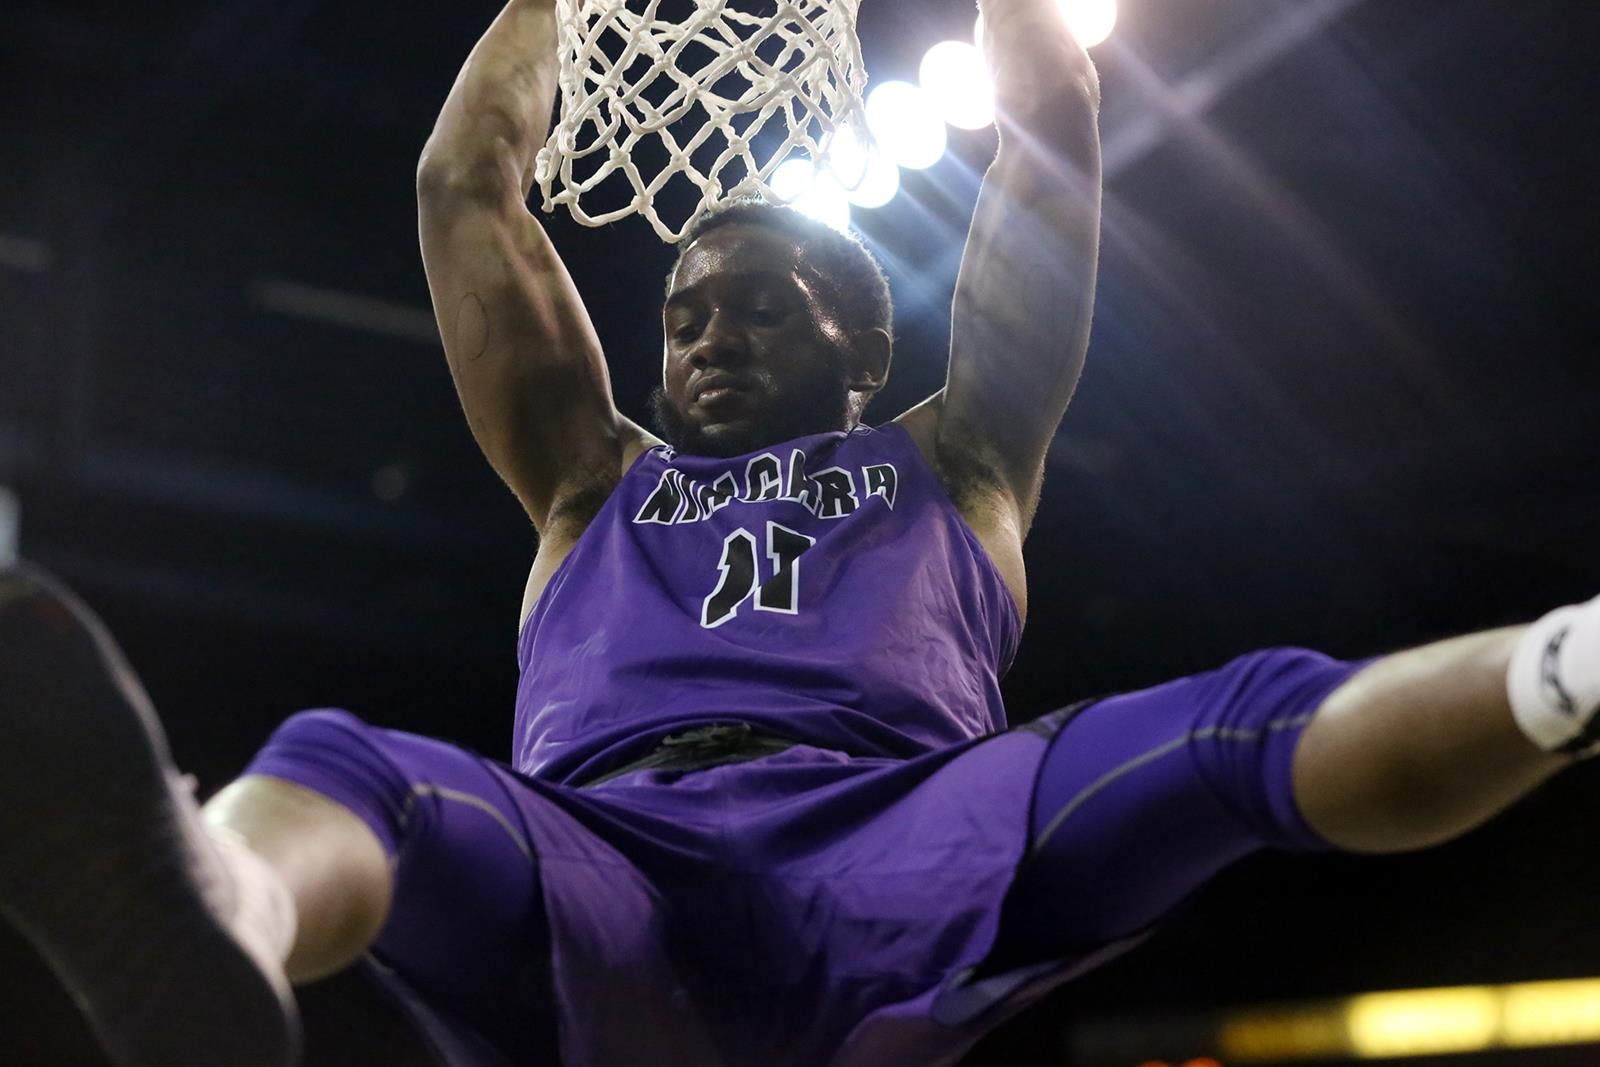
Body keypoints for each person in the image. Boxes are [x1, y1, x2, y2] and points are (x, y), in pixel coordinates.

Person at [2, 0, 1597, 1063]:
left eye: (761, 306)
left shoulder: (961, 452)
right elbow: (463, 186)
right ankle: (217, 917)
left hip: (894, 836)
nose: (709, 335)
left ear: (863, 343)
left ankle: (1576, 664)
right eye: (688, 314)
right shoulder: (589, 481)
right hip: (608, 857)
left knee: (1233, 727)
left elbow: (1052, 111)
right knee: (347, 763)